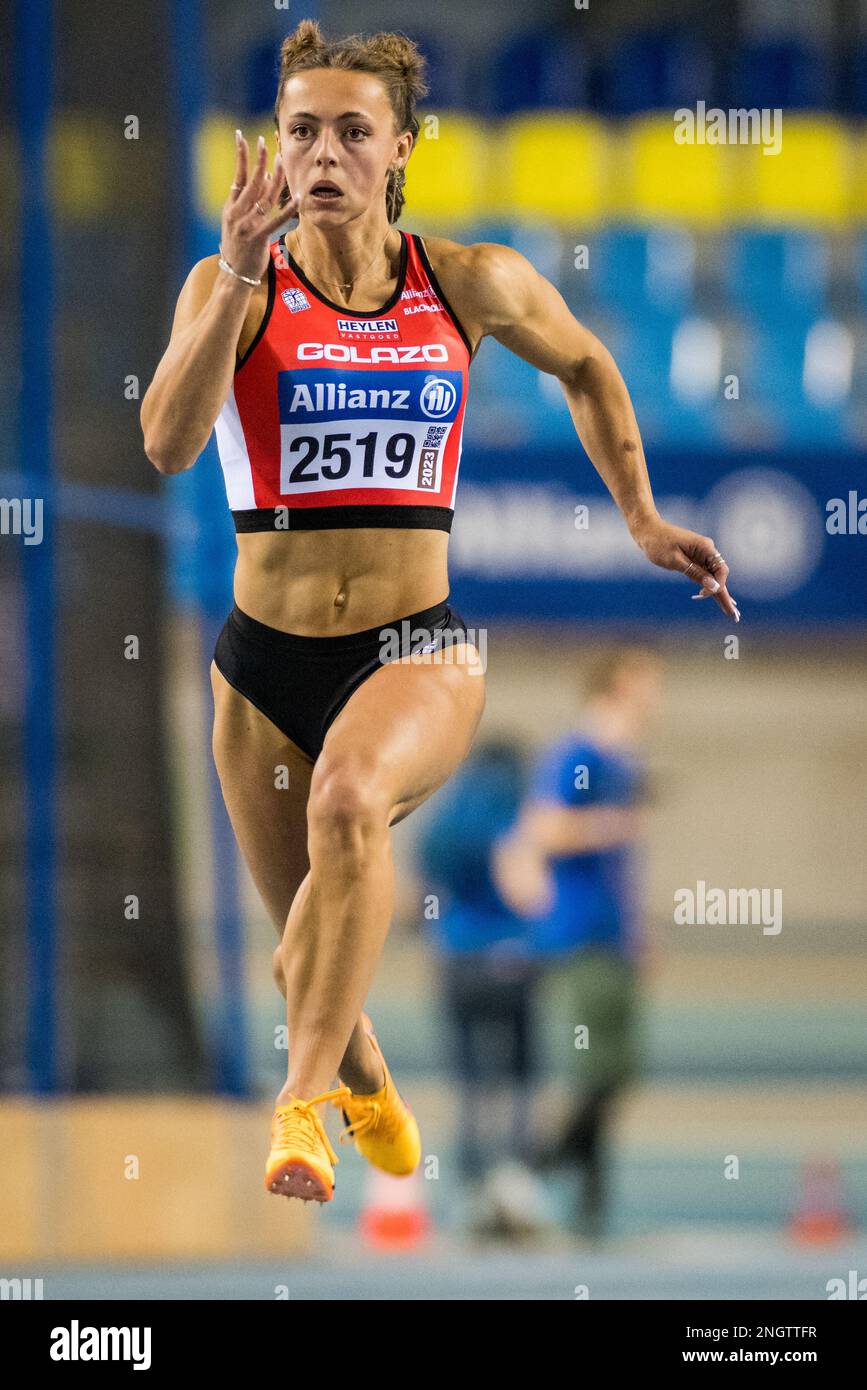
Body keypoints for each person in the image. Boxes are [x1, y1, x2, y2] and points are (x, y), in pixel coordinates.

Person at [139, 17, 736, 1206]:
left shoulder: (467, 282)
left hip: (417, 645)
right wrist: (244, 275)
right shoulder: (231, 285)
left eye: (351, 132)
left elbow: (588, 367)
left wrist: (639, 515)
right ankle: (364, 1079)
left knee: (350, 805)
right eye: (301, 129)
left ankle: (299, 1108)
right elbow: (165, 440)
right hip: (259, 668)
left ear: (401, 148)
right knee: (303, 949)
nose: (321, 154)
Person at [493, 645, 664, 1239]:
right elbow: (540, 830)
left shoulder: (621, 760)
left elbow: (622, 869)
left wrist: (639, 932)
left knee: (618, 1073)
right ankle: (525, 1175)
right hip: (580, 937)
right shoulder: (578, 756)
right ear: (616, 685)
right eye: (645, 681)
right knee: (596, 1072)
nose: (655, 695)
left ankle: (587, 1207)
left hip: (613, 937)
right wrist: (604, 826)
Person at [415, 739, 547, 1237]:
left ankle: (471, 1192)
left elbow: (419, 893)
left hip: (457, 960)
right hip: (510, 958)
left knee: (470, 1083)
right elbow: (527, 892)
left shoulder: (448, 821)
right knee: (519, 1078)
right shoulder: (511, 814)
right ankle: (516, 1185)